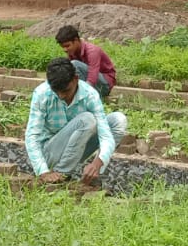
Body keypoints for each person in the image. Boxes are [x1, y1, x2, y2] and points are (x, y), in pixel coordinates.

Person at [25, 57, 127, 185]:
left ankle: (92, 174)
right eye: (57, 92)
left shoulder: (90, 95)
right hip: (49, 154)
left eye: (66, 91)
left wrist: (97, 162)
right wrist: (43, 171)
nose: (61, 96)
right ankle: (61, 174)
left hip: (75, 152)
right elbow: (32, 136)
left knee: (118, 120)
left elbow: (105, 134)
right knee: (87, 120)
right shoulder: (42, 94)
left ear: (76, 79)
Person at [55, 25, 117, 98]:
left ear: (76, 40)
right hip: (90, 84)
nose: (65, 49)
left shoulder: (92, 51)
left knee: (74, 64)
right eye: (63, 47)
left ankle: (83, 95)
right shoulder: (72, 52)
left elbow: (92, 78)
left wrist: (81, 96)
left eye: (67, 46)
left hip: (104, 85)